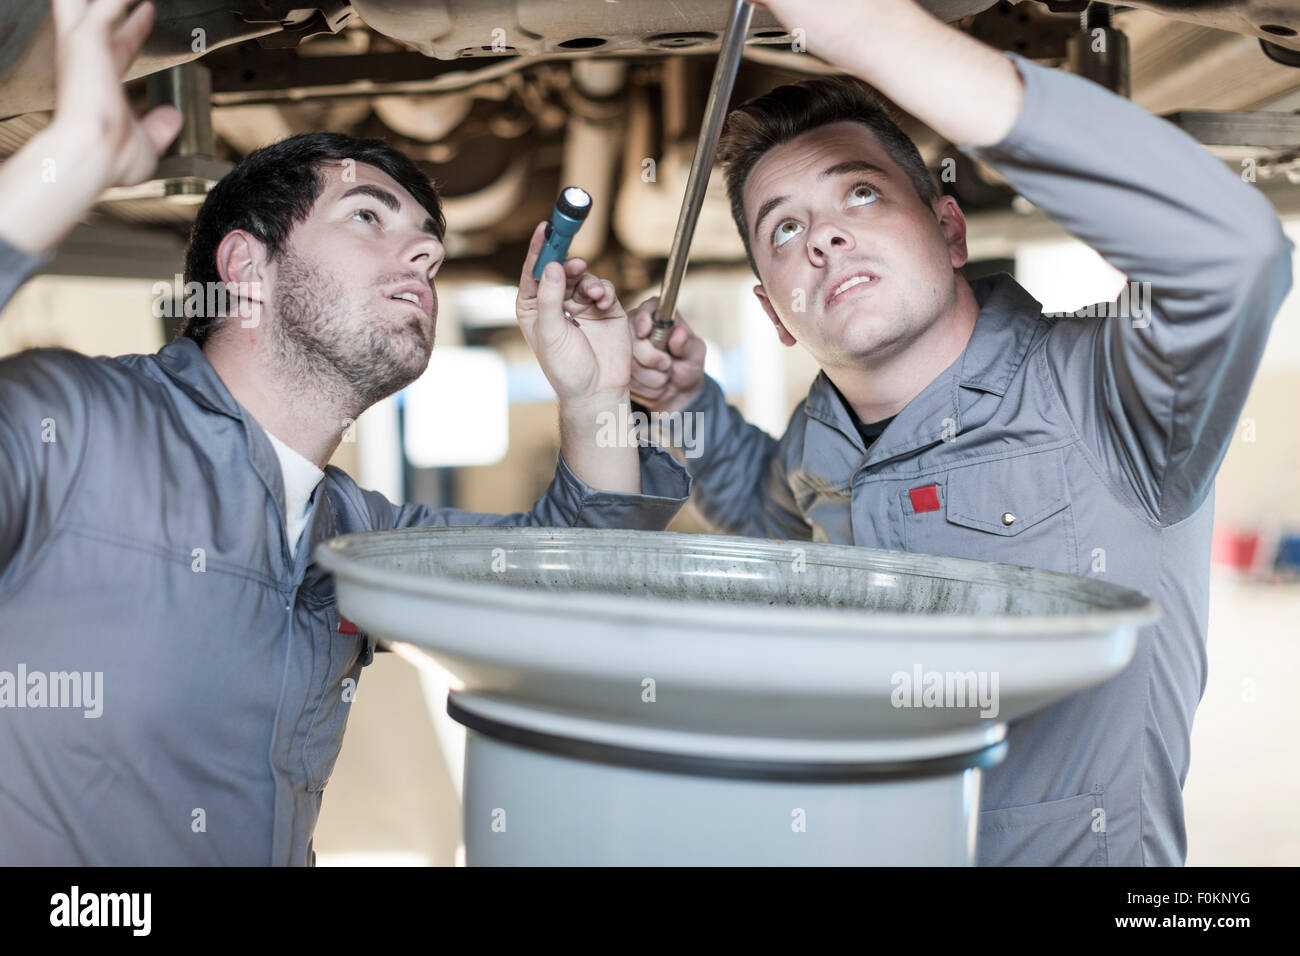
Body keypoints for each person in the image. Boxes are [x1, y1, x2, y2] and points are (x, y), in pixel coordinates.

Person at [0, 0, 688, 864]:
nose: (425, 257)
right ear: (246, 270)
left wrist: (594, 397)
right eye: (370, 217)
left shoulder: (354, 537)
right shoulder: (74, 426)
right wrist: (61, 167)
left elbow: (576, 596)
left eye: (430, 244)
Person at [629, 0, 1293, 865]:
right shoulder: (819, 442)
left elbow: (1236, 256)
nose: (824, 235)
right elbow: (771, 527)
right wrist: (685, 405)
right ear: (776, 315)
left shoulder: (1106, 395)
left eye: (859, 192)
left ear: (949, 230)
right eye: (783, 229)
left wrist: (879, 34)